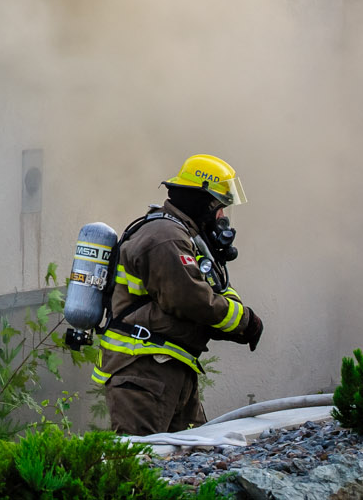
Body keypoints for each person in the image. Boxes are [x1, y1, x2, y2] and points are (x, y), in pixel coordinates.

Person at [93, 154, 265, 434]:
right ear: (203, 203)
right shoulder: (165, 237)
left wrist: (237, 320)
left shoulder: (185, 237)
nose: (222, 219)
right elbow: (193, 301)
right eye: (220, 209)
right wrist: (246, 322)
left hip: (169, 366)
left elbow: (213, 292)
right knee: (145, 464)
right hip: (144, 371)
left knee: (194, 458)